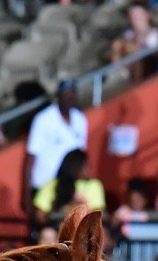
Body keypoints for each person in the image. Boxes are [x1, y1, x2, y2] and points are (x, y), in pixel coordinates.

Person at [23, 79, 88, 220]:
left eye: (72, 94)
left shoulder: (80, 119)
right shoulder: (43, 119)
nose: (69, 98)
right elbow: (31, 157)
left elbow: (81, 157)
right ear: (59, 96)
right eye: (66, 94)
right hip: (43, 184)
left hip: (68, 187)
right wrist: (26, 195)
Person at [32, 148, 105, 227]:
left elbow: (98, 214)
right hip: (57, 227)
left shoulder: (94, 185)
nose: (87, 169)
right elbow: (40, 215)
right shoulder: (52, 184)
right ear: (73, 166)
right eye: (84, 165)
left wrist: (82, 205)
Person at [109, 1, 158, 83]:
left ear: (147, 15)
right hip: (132, 69)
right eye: (133, 16)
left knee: (134, 49)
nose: (136, 19)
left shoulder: (156, 33)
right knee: (117, 44)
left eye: (138, 15)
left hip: (152, 65)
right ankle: (118, 76)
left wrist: (141, 39)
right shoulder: (128, 35)